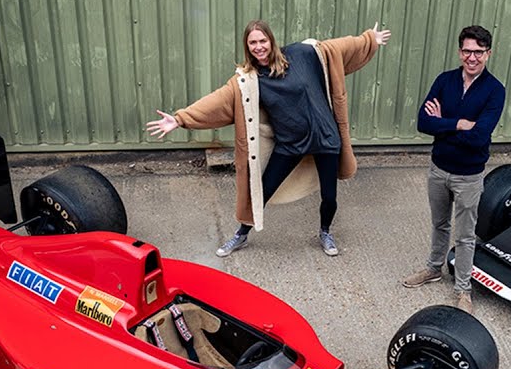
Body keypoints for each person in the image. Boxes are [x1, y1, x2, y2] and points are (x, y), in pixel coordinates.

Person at [148, 20, 392, 257]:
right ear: (248, 47)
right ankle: (241, 234)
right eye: (252, 42)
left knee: (329, 195)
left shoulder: (301, 54)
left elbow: (336, 48)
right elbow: (217, 101)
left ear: (271, 41)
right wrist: (180, 119)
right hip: (290, 144)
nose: (258, 46)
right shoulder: (249, 80)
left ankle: (325, 232)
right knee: (261, 191)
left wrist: (369, 39)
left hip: (325, 138)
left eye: (262, 40)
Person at [402, 25, 506, 314]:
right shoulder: (445, 80)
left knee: (465, 234)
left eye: (479, 52)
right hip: (438, 169)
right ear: (460, 52)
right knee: (439, 224)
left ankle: (463, 289)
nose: (472, 57)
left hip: (469, 175)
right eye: (467, 51)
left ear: (488, 54)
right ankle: (433, 268)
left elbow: (479, 137)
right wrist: (458, 123)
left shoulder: (494, 90)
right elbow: (423, 122)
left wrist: (443, 123)